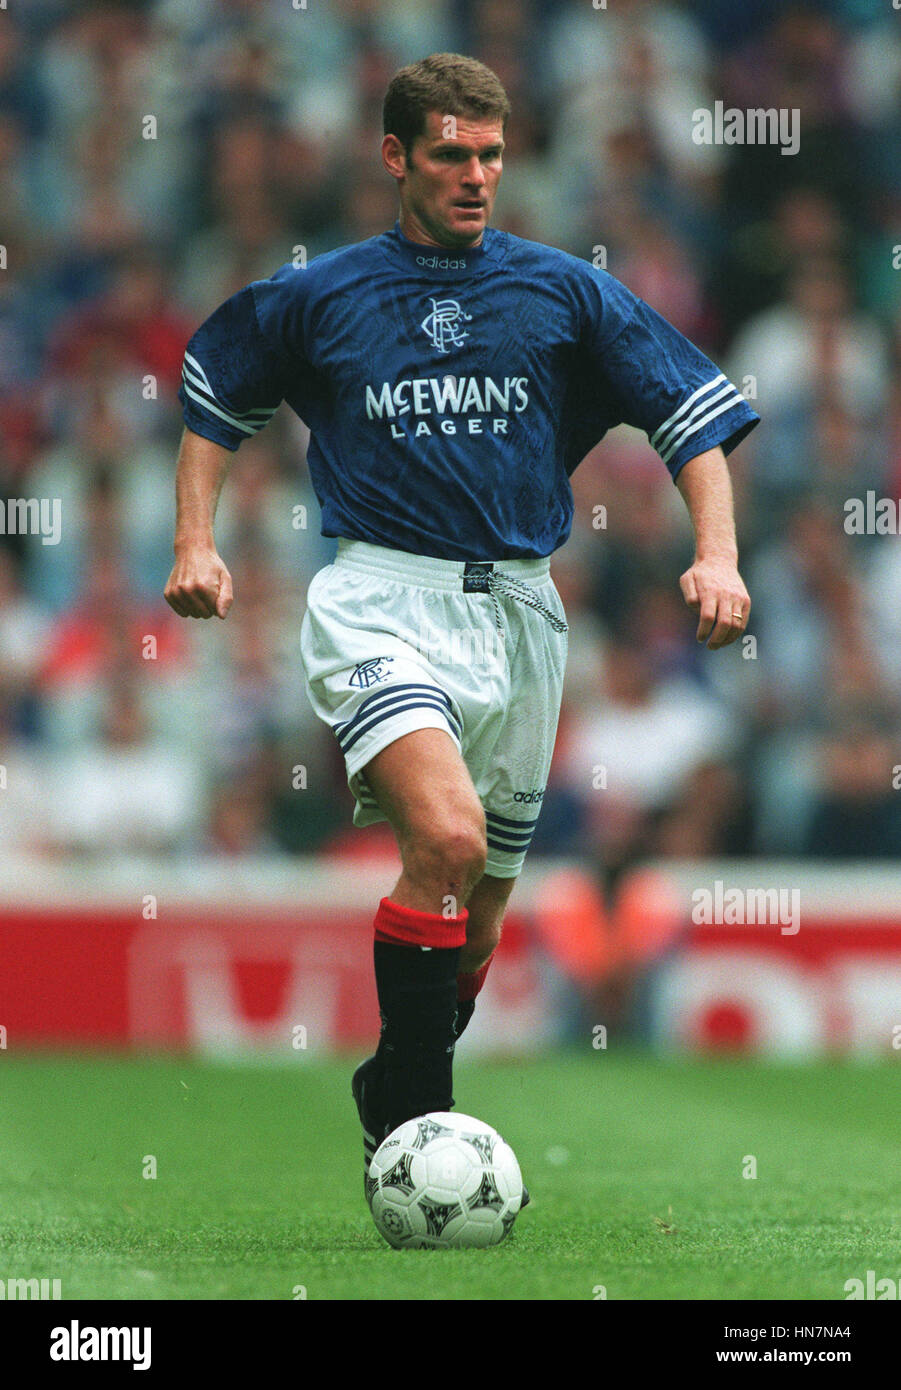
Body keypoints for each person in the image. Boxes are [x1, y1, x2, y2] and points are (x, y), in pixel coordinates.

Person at [164, 53, 758, 1196]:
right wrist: (197, 538)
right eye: (450, 153)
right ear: (395, 157)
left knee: (476, 927)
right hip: (380, 596)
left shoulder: (561, 290)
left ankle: (393, 1081)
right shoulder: (322, 292)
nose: (475, 175)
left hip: (524, 616)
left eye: (490, 153)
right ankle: (422, 1143)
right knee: (438, 840)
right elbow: (214, 387)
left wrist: (718, 554)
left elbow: (690, 419)